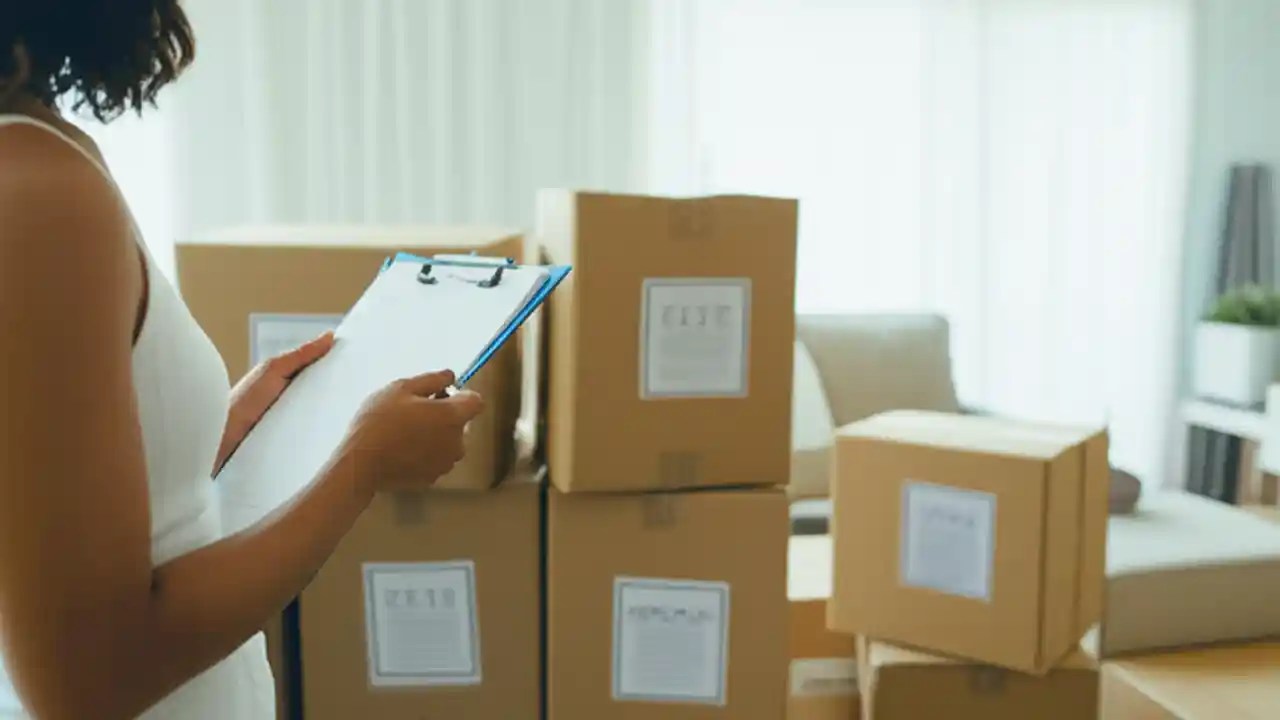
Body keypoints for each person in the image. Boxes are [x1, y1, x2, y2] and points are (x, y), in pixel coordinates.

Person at [0, 3, 485, 718]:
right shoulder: (34, 193)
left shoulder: (40, 155)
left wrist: (209, 438)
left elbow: (49, 503)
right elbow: (85, 680)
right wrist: (361, 467)